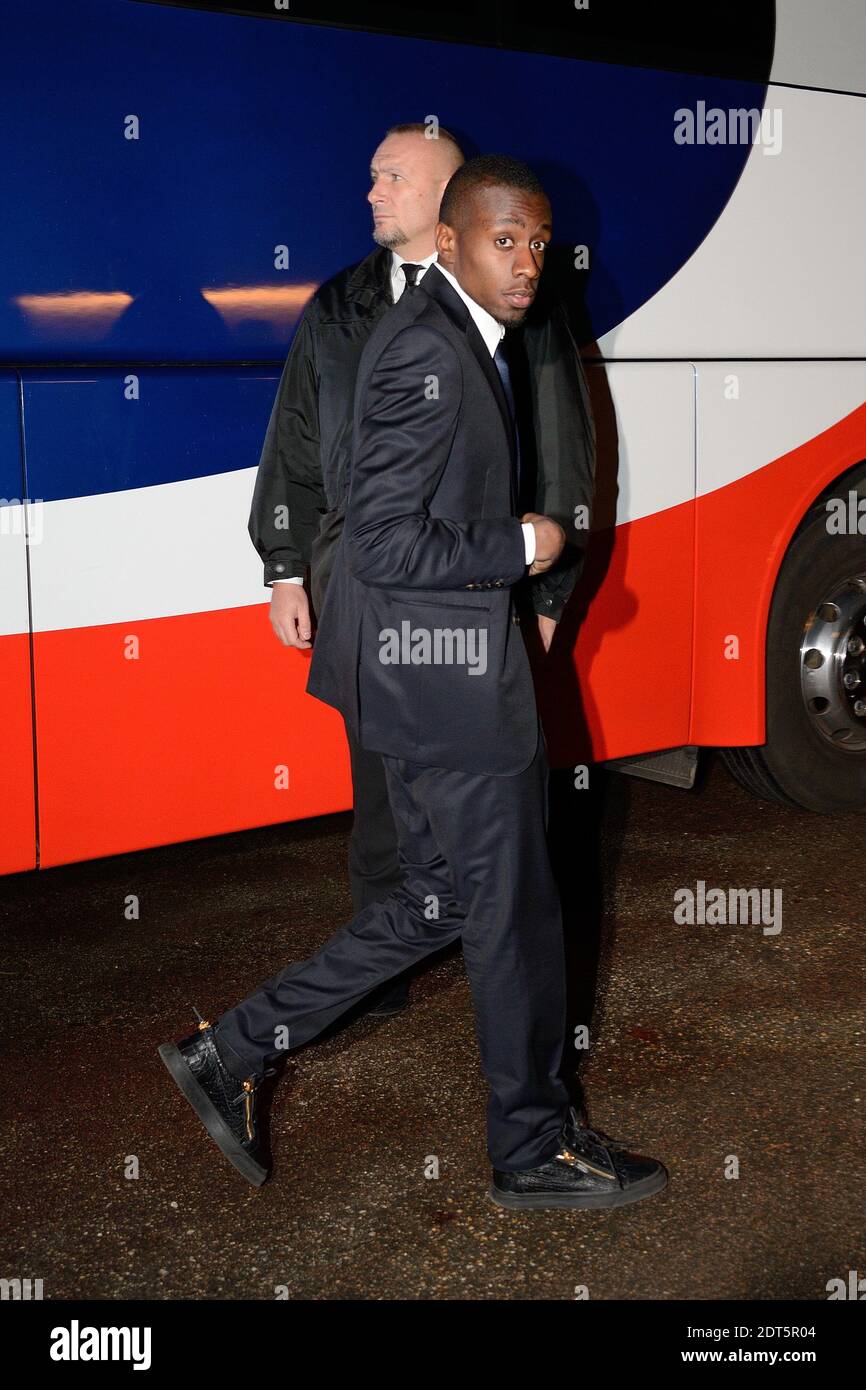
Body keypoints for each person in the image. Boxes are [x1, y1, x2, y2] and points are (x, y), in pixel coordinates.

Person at [159, 155, 668, 1212]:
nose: (525, 262)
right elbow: (387, 540)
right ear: (450, 241)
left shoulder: (461, 337)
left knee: (438, 897)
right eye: (501, 239)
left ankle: (233, 1050)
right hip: (447, 687)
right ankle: (530, 1142)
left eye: (535, 241)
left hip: (420, 677)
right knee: (515, 908)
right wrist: (518, 543)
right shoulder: (428, 353)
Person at [248, 122, 596, 1016]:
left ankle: (246, 1045)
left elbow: (564, 449)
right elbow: (294, 442)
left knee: (481, 876)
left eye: (391, 177)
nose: (371, 192)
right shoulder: (343, 308)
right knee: (396, 827)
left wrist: (548, 587)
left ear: (446, 200)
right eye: (373, 176)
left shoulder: (524, 306)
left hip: (470, 619)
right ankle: (384, 992)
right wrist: (285, 566)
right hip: (379, 611)